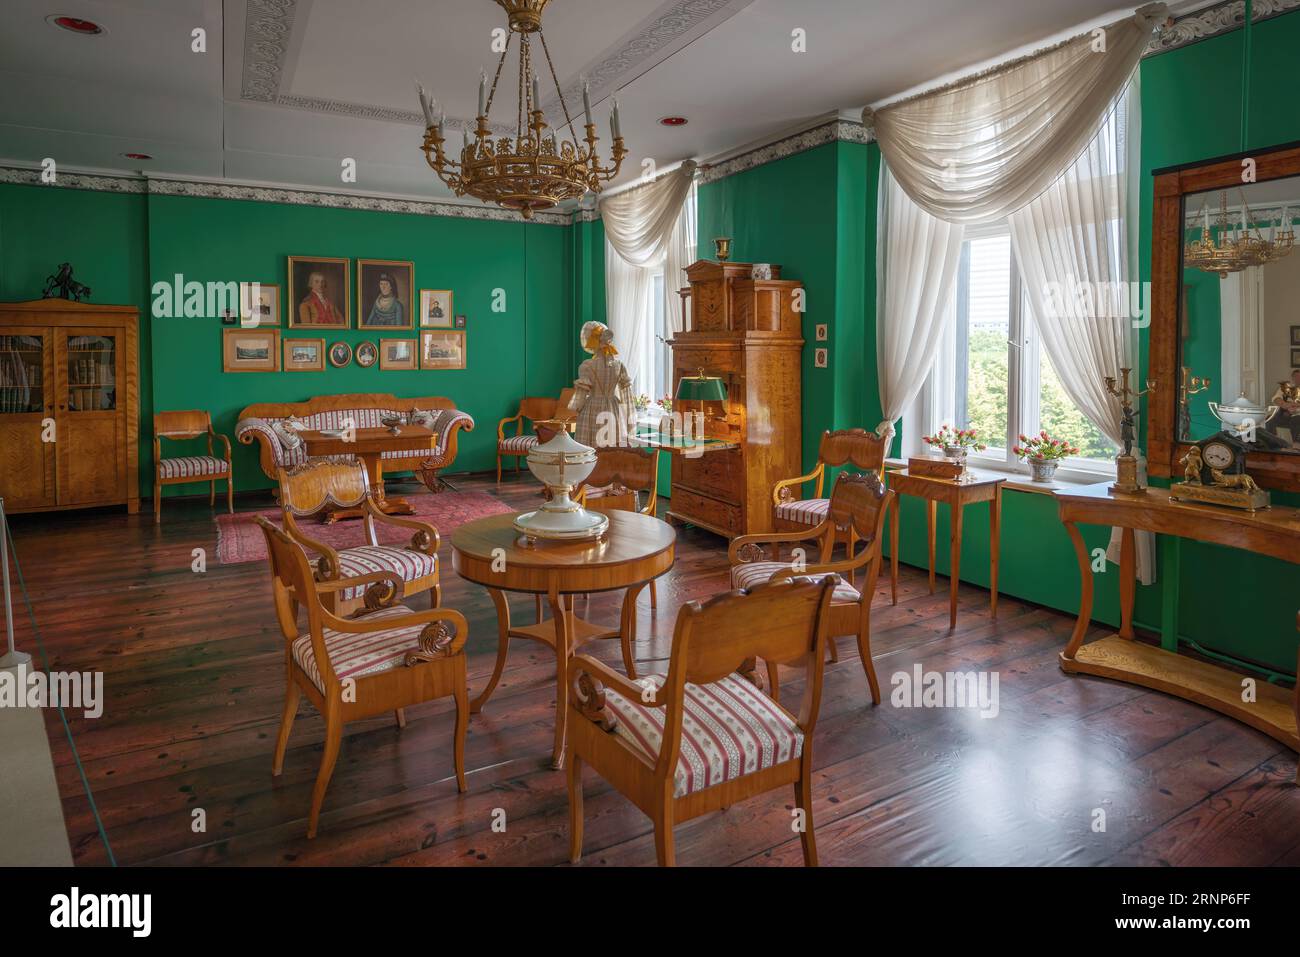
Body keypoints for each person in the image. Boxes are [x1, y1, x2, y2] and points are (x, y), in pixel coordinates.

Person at [569, 321, 635, 449]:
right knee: (613, 447)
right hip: (613, 409)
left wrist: (575, 408)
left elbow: (580, 398)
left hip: (592, 408)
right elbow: (626, 395)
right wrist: (629, 416)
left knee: (590, 450)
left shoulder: (587, 366)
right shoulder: (619, 365)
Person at [1268, 370, 1300, 447]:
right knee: (1270, 421)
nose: (1298, 379)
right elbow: (1276, 398)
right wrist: (1285, 404)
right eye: (1296, 377)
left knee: (1295, 421)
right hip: (1285, 410)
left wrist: (1296, 405)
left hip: (1298, 413)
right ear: (1292, 378)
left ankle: (1291, 445)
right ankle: (1272, 443)